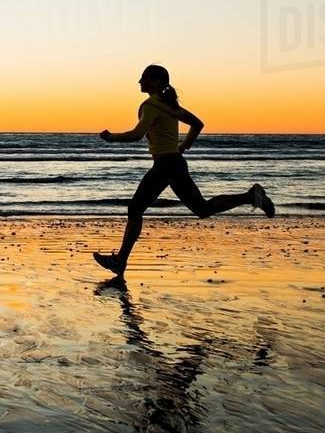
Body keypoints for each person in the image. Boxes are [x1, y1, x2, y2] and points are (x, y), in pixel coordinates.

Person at [94, 64, 275, 275]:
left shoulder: (151, 104)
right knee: (202, 209)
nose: (140, 81)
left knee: (135, 209)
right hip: (173, 163)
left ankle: (120, 261)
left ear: (159, 82)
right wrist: (182, 147)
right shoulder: (169, 104)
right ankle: (251, 197)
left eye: (145, 78)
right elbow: (198, 124)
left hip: (166, 165)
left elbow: (137, 134)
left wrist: (111, 137)